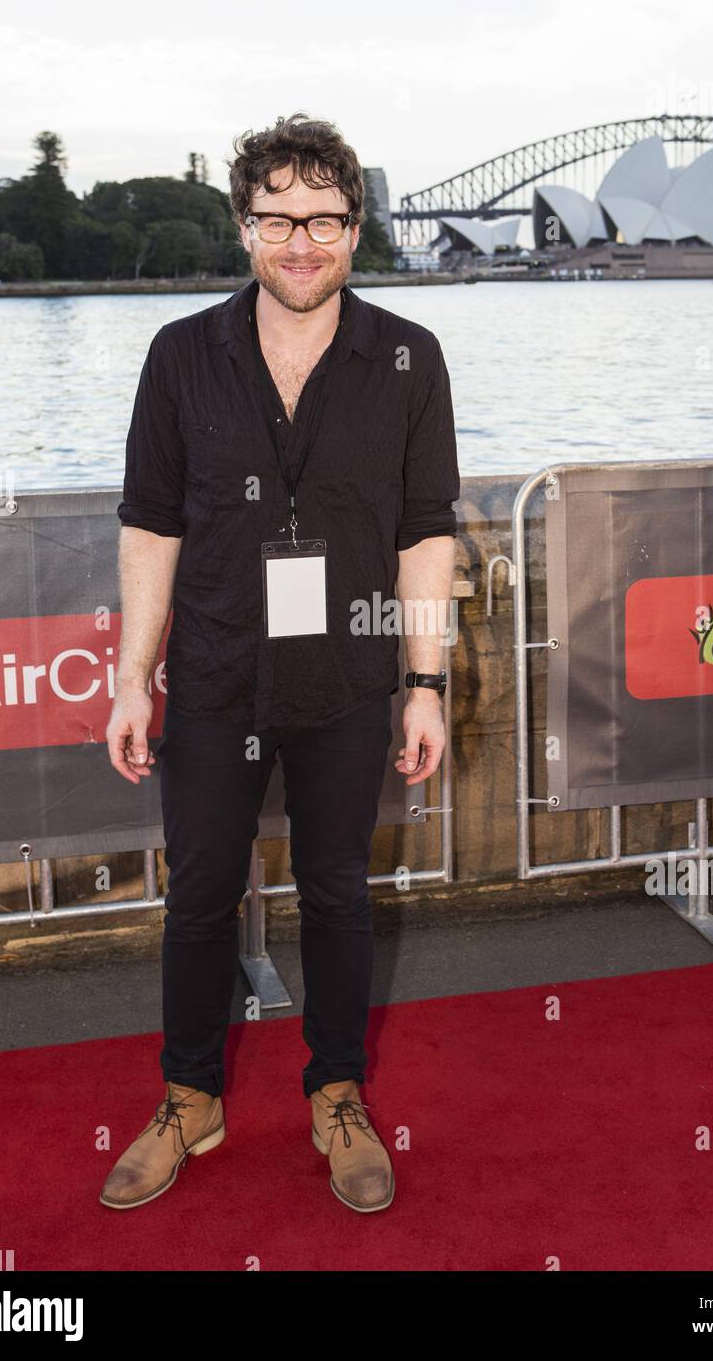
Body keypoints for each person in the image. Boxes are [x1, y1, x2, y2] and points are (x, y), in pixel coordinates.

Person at [100, 112, 460, 1214]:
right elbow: (152, 524)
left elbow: (425, 533)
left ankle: (338, 1092)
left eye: (322, 217)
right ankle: (190, 1097)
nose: (299, 241)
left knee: (340, 894)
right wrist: (132, 674)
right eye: (275, 218)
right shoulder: (180, 355)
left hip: (349, 675)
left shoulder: (408, 356)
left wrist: (426, 681)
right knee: (202, 896)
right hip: (213, 672)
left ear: (356, 227)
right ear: (244, 225)